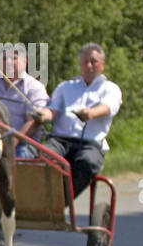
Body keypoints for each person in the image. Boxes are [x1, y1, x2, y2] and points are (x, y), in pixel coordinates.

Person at [36, 43, 121, 197]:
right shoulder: (65, 87)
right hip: (60, 140)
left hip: (90, 143)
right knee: (42, 157)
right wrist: (43, 115)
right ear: (80, 65)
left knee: (87, 163)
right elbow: (53, 110)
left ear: (102, 64)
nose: (89, 66)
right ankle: (40, 199)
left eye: (93, 62)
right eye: (85, 62)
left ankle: (61, 201)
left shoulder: (110, 88)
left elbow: (108, 107)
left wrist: (90, 113)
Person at [0, 45, 49, 158]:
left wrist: (9, 145)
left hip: (22, 145)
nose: (8, 62)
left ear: (25, 62)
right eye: (5, 59)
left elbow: (33, 123)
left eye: (14, 58)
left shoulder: (35, 88)